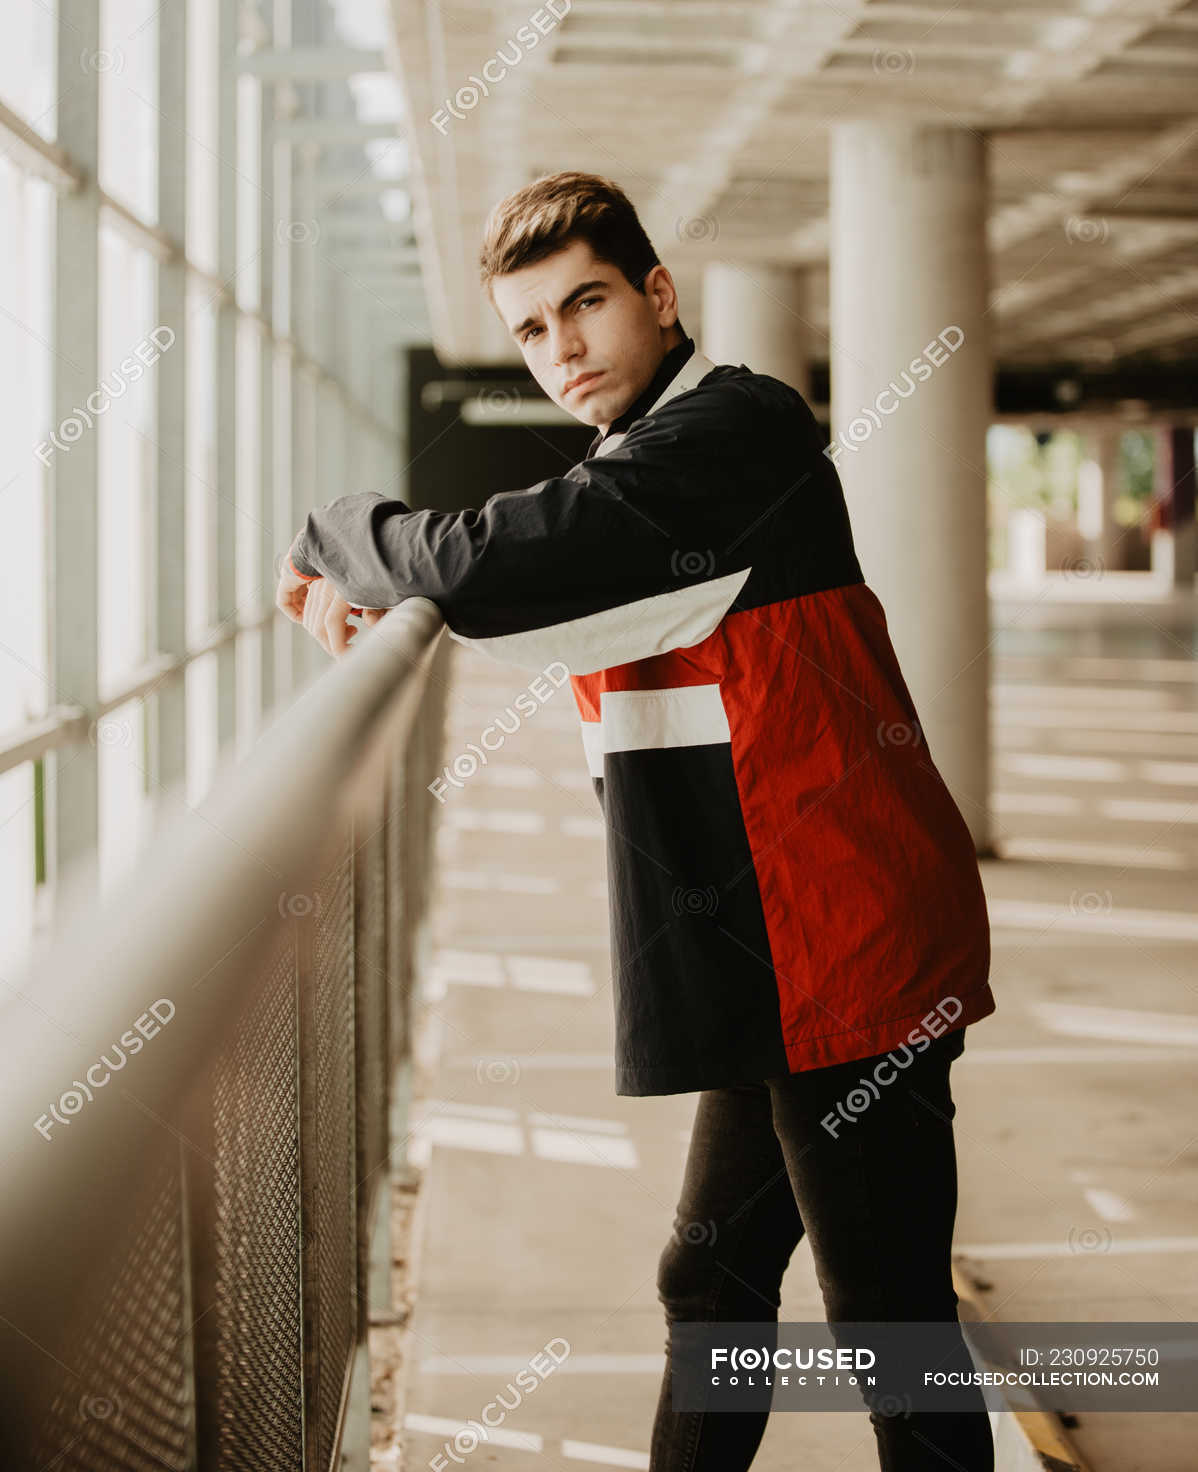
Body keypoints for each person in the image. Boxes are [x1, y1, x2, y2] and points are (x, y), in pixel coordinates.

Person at [276, 170, 997, 1470]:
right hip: (776, 949)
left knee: (887, 1321)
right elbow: (513, 602)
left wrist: (334, 531)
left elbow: (488, 562)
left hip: (848, 944)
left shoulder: (734, 431)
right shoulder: (642, 464)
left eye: (586, 304)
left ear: (658, 296)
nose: (561, 347)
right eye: (530, 328)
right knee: (709, 1281)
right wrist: (396, 586)